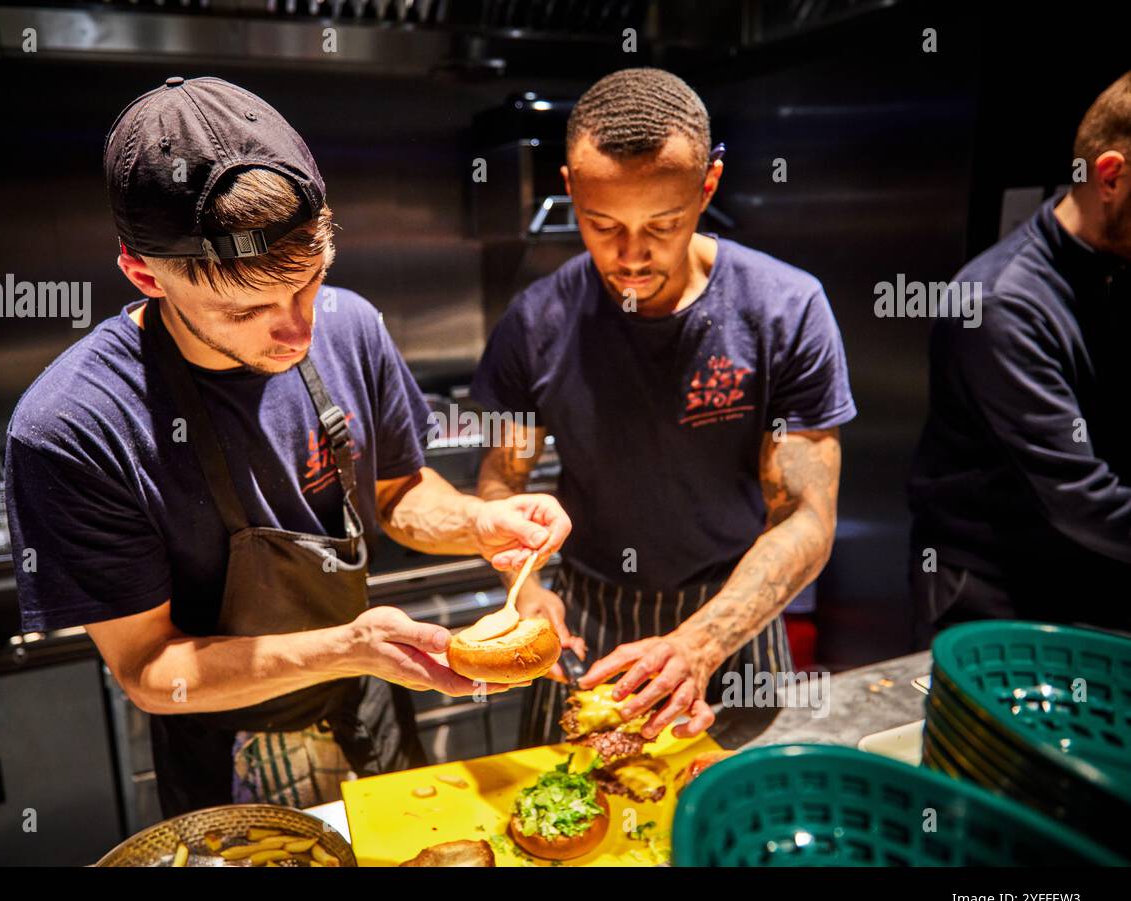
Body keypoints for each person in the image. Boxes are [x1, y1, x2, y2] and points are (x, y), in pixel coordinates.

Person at [4, 77, 570, 816]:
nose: (298, 332)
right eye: (247, 309)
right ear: (146, 275)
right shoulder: (73, 428)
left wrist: (475, 524)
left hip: (373, 707)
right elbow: (149, 668)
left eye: (308, 285)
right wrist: (351, 644)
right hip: (230, 752)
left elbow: (397, 492)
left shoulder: (349, 326)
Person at [470, 68, 856, 745]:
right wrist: (525, 589)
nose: (630, 254)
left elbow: (806, 517)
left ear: (708, 185)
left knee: (728, 835)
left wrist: (700, 644)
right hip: (589, 619)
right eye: (602, 224)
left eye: (664, 223)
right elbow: (503, 482)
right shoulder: (534, 322)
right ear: (571, 187)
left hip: (733, 615)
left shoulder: (785, 310)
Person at [908, 72, 1131, 645]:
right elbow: (1082, 499)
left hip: (1087, 581)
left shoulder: (1111, 268)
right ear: (1110, 176)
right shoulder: (1000, 303)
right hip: (996, 600)